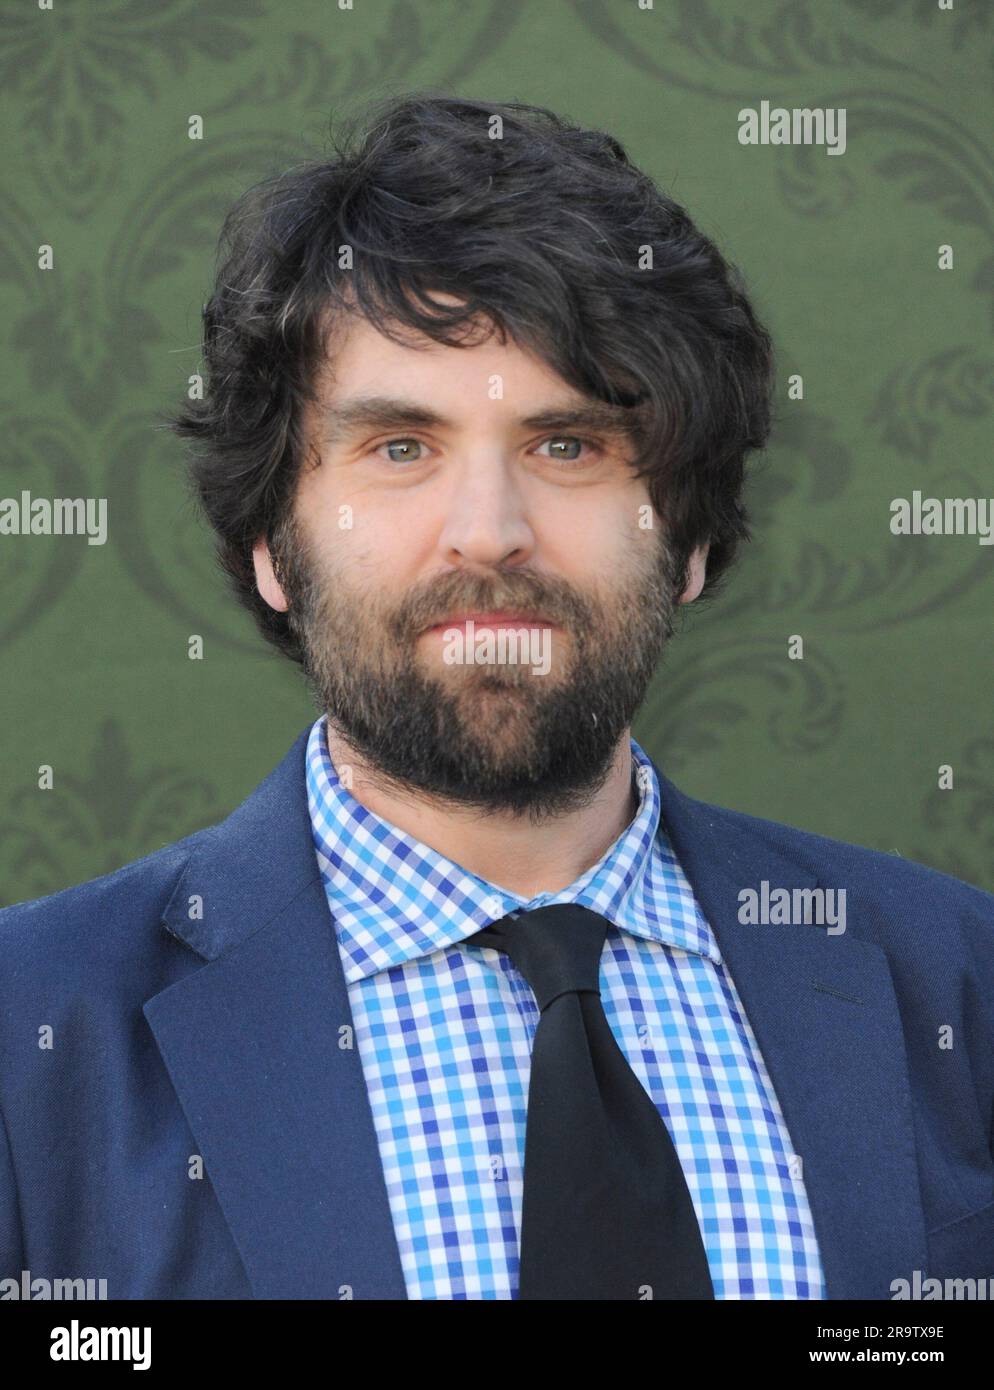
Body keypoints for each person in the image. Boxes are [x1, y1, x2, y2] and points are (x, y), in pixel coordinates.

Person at [1, 93, 992, 1302]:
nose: (489, 534)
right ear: (270, 538)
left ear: (687, 537)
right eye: (399, 448)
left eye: (566, 445)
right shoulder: (28, 1037)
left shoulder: (958, 986)